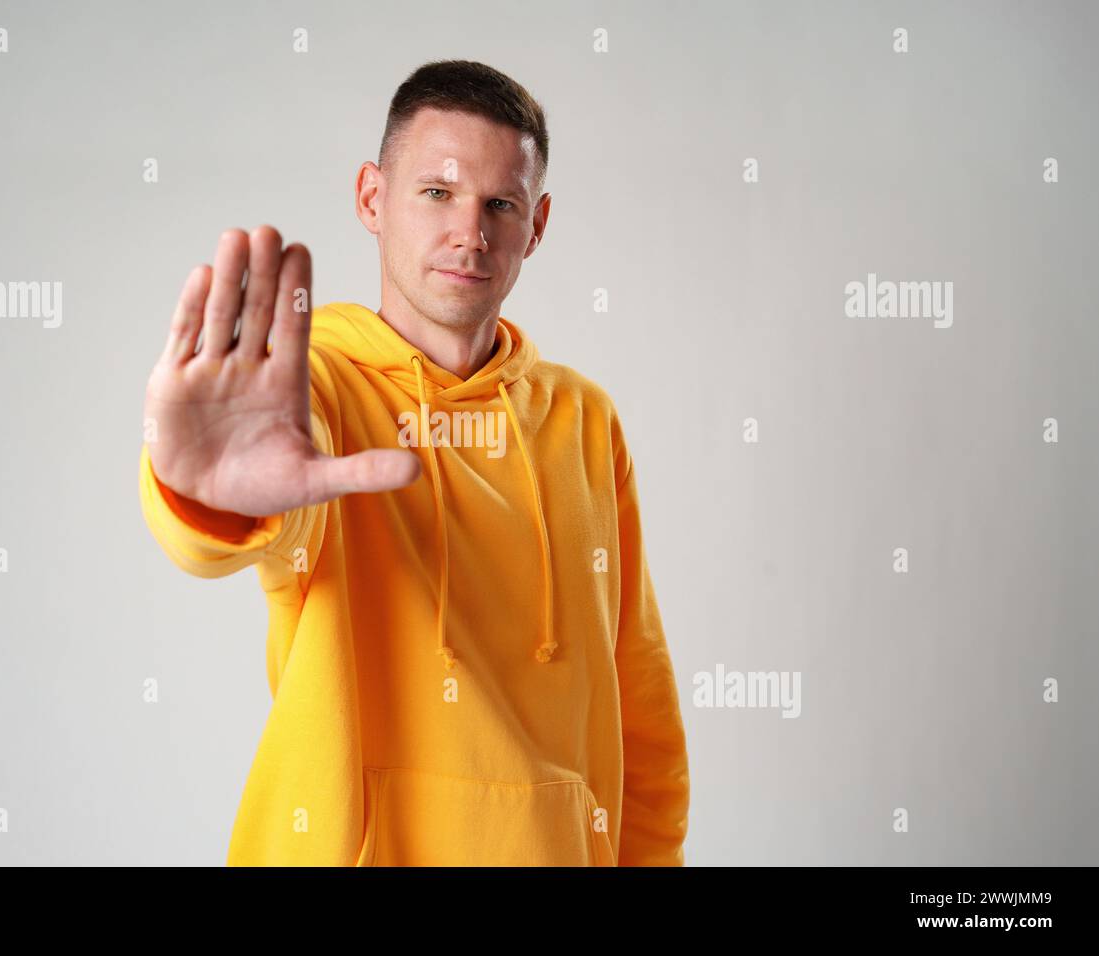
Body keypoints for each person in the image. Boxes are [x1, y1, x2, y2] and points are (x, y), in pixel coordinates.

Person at [138, 59, 689, 866]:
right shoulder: (311, 386)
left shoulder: (584, 421)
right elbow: (242, 525)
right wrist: (209, 496)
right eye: (437, 192)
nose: (470, 232)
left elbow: (638, 700)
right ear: (373, 198)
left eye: (499, 204)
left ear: (535, 226)